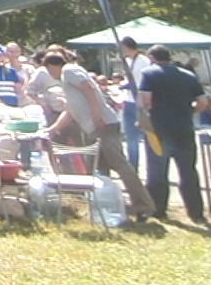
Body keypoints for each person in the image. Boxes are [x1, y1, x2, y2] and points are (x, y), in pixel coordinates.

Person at [41, 49, 155, 220]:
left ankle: (144, 206)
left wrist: (96, 115)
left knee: (120, 165)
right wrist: (52, 129)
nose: (51, 74)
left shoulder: (69, 71)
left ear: (53, 66)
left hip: (103, 125)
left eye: (49, 70)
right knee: (97, 169)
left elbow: (88, 89)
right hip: (93, 129)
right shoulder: (66, 80)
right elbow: (70, 111)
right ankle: (105, 207)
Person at [140, 46, 211, 224]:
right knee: (188, 172)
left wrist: (143, 116)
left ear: (152, 58)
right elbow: (202, 102)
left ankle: (159, 210)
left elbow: (146, 101)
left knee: (157, 172)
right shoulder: (188, 75)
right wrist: (190, 112)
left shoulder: (149, 73)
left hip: (159, 129)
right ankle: (196, 213)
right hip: (184, 128)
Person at [120, 36, 154, 177]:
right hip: (128, 101)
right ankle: (132, 168)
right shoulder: (127, 62)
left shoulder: (144, 62)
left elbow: (145, 84)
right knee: (130, 138)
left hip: (140, 102)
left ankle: (150, 168)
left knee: (146, 136)